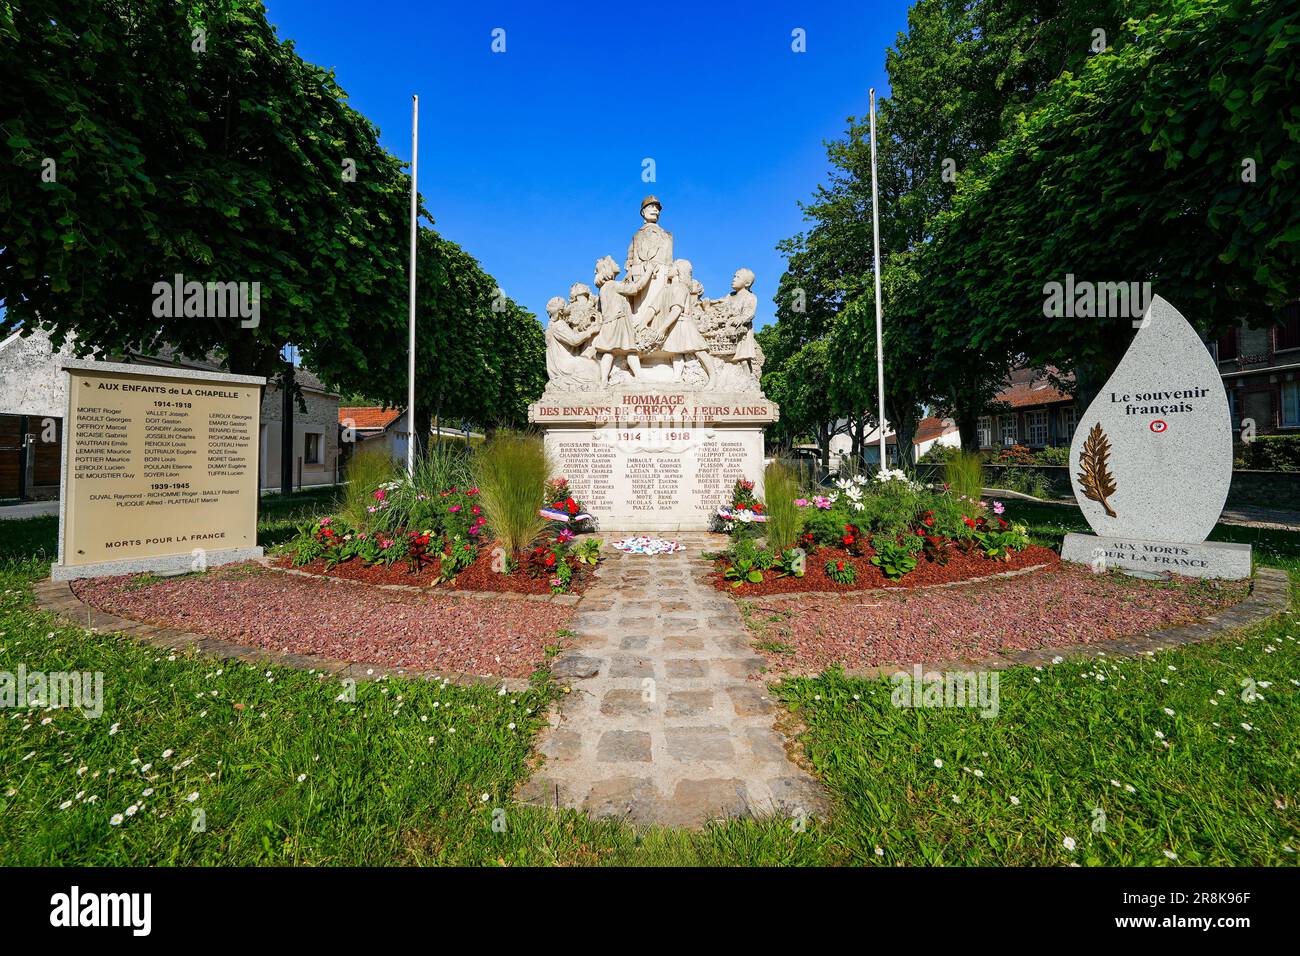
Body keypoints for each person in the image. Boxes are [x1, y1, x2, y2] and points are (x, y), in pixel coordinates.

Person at [592, 255, 653, 385]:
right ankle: (639, 376)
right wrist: (649, 271)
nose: (617, 264)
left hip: (609, 324)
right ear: (608, 268)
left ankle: (603, 381)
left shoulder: (605, 287)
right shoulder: (613, 285)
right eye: (614, 262)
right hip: (619, 323)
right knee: (630, 350)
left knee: (609, 352)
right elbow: (636, 288)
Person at [658, 259, 714, 383]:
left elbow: (676, 310)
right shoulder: (669, 288)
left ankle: (713, 379)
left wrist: (663, 327)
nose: (668, 268)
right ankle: (677, 377)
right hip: (676, 325)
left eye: (671, 266)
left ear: (678, 270)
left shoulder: (680, 287)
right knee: (676, 352)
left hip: (684, 324)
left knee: (699, 351)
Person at [544, 296, 598, 387]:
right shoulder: (559, 325)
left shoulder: (552, 326)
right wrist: (591, 331)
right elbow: (574, 340)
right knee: (595, 367)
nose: (569, 307)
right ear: (561, 311)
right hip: (565, 365)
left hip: (560, 365)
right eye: (566, 305)